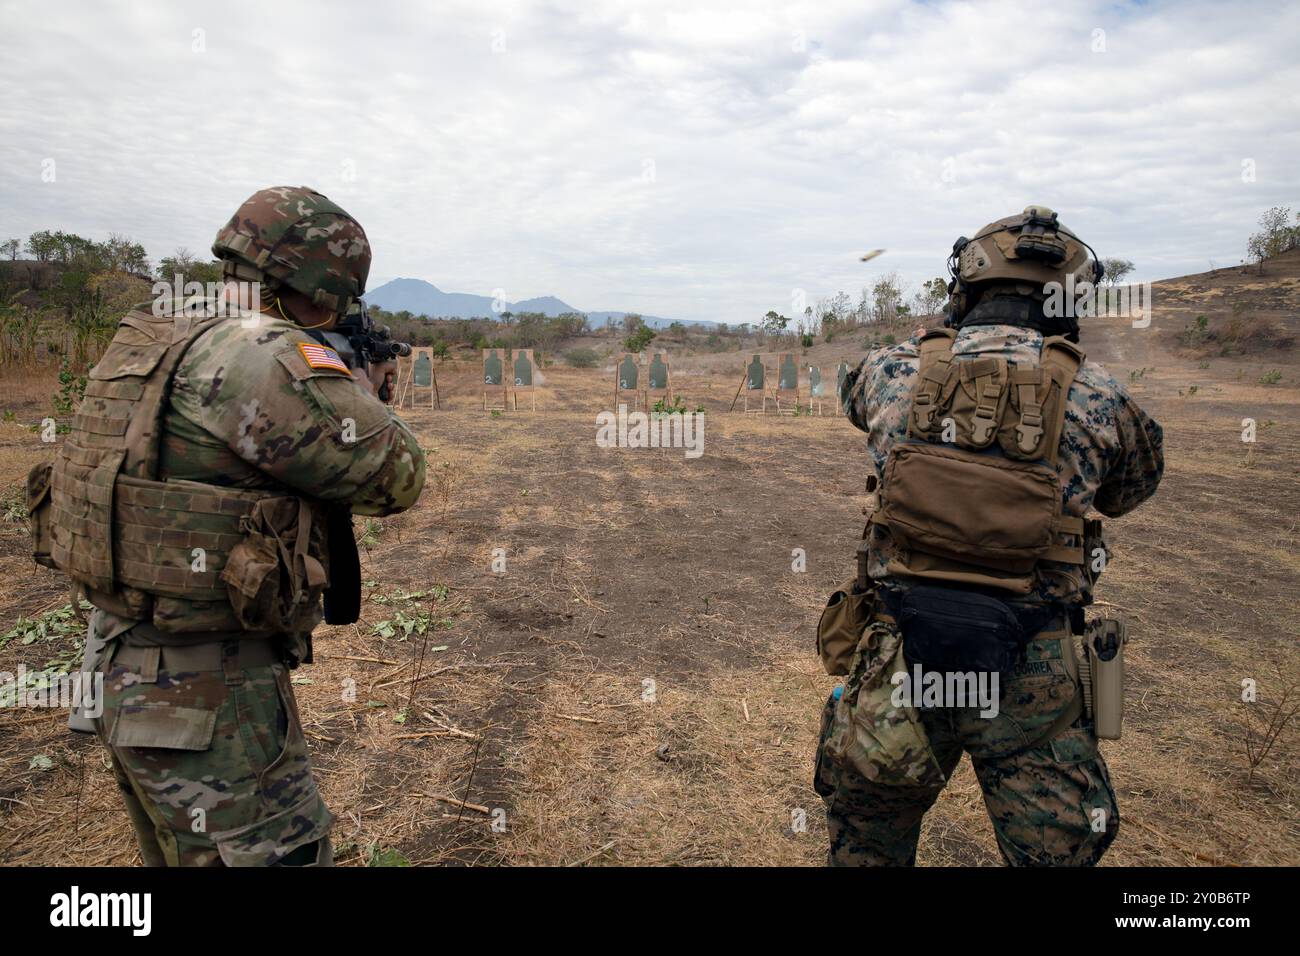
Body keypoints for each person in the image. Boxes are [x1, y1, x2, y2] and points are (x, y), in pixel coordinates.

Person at [30, 185, 426, 866]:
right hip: (207, 697)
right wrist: (362, 395)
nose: (332, 313)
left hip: (124, 660)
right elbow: (397, 479)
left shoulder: (157, 330)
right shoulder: (258, 354)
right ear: (306, 284)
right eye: (331, 300)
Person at [815, 206, 1164, 866]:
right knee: (1056, 853)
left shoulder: (895, 370)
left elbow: (851, 389)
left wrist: (936, 344)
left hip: (898, 657)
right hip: (1033, 664)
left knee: (866, 842)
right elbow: (1130, 490)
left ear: (965, 289)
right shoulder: (1102, 396)